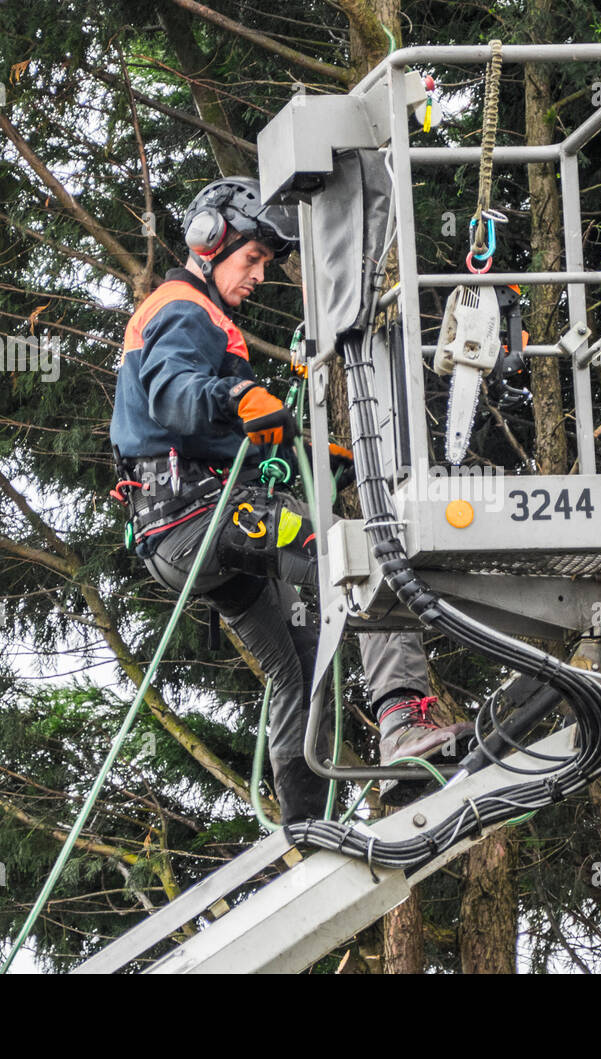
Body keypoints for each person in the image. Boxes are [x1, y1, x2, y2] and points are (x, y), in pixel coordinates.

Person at [110, 176, 471, 823]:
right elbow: (173, 395)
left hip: (188, 528)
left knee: (301, 666)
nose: (257, 277)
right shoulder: (184, 309)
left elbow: (232, 438)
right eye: (250, 260)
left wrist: (311, 456)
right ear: (209, 241)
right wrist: (238, 398)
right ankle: (405, 720)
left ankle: (308, 825)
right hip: (208, 517)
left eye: (265, 266)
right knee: (359, 555)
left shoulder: (204, 320)